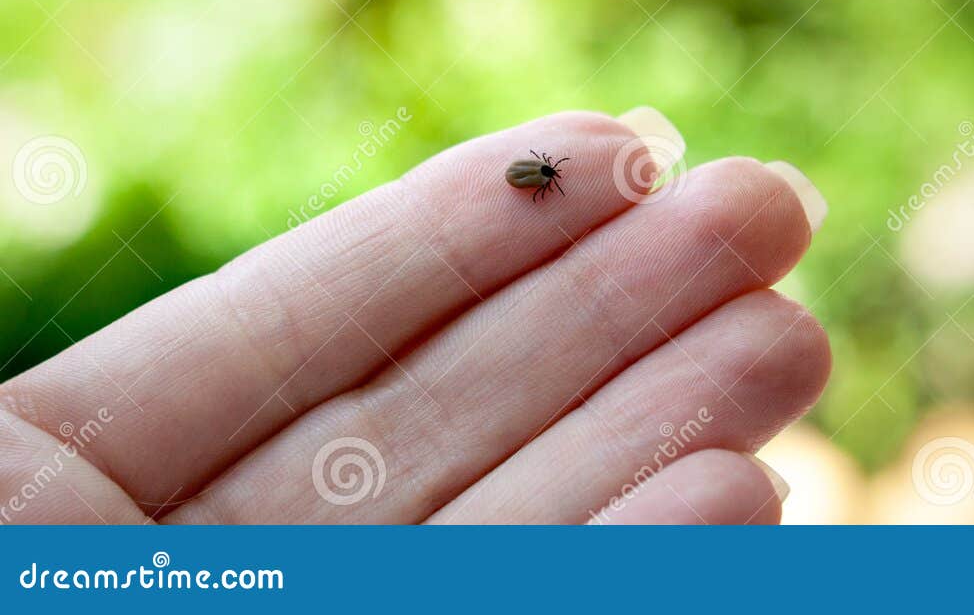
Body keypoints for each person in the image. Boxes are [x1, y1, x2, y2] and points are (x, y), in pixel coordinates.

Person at [0, 108, 829, 525]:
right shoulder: (540, 177)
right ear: (544, 176)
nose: (545, 177)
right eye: (547, 176)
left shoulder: (537, 176)